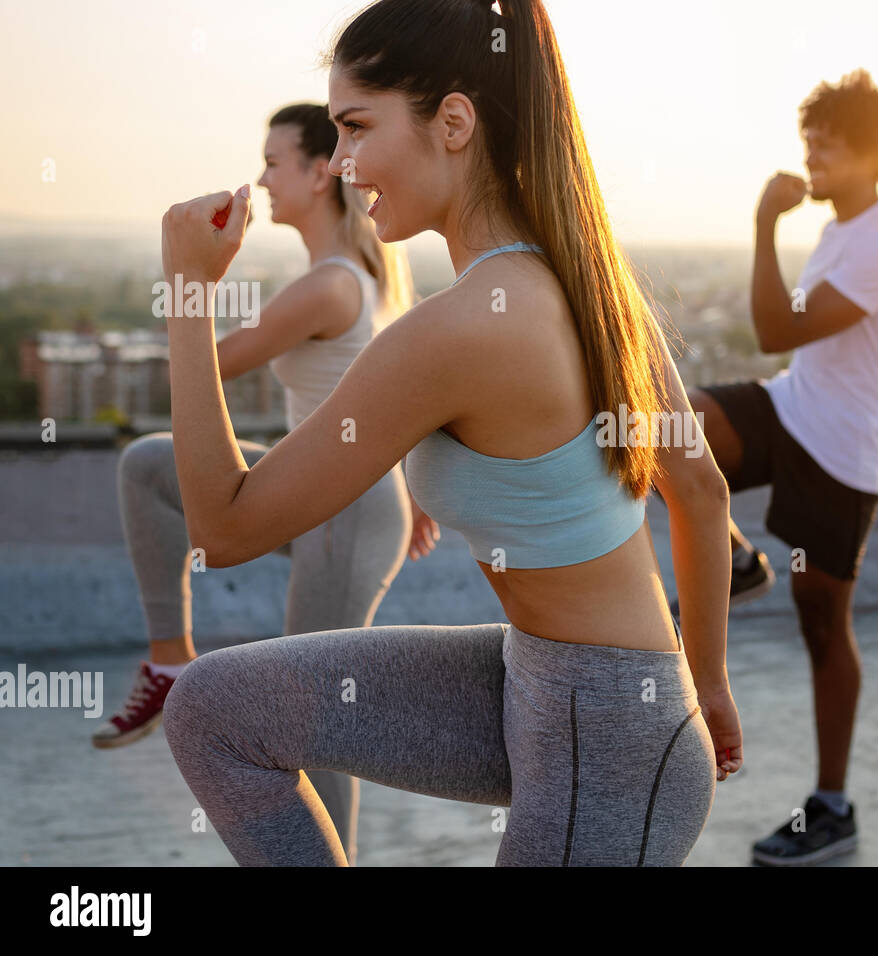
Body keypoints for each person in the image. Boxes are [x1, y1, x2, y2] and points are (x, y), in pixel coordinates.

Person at [156, 0, 741, 866]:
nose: (346, 165)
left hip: (613, 742)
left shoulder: (462, 330)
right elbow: (701, 491)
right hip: (539, 683)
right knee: (217, 710)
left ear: (454, 121)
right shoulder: (585, 275)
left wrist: (188, 292)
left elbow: (225, 524)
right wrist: (709, 683)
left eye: (357, 128)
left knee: (215, 710)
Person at [94, 103, 417, 864]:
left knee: (317, 719)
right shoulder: (346, 271)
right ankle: (170, 661)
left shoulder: (330, 286)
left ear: (318, 172)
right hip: (322, 493)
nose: (263, 178)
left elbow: (214, 362)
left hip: (349, 515)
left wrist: (189, 278)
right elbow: (375, 393)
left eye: (276, 163)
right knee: (148, 464)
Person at [679, 69, 878, 865]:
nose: (811, 159)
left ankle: (832, 807)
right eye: (809, 143)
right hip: (792, 407)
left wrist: (763, 226)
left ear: (873, 156)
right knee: (670, 426)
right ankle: (735, 557)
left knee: (823, 626)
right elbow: (786, 350)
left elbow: (771, 328)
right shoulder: (838, 230)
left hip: (843, 448)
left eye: (827, 148)